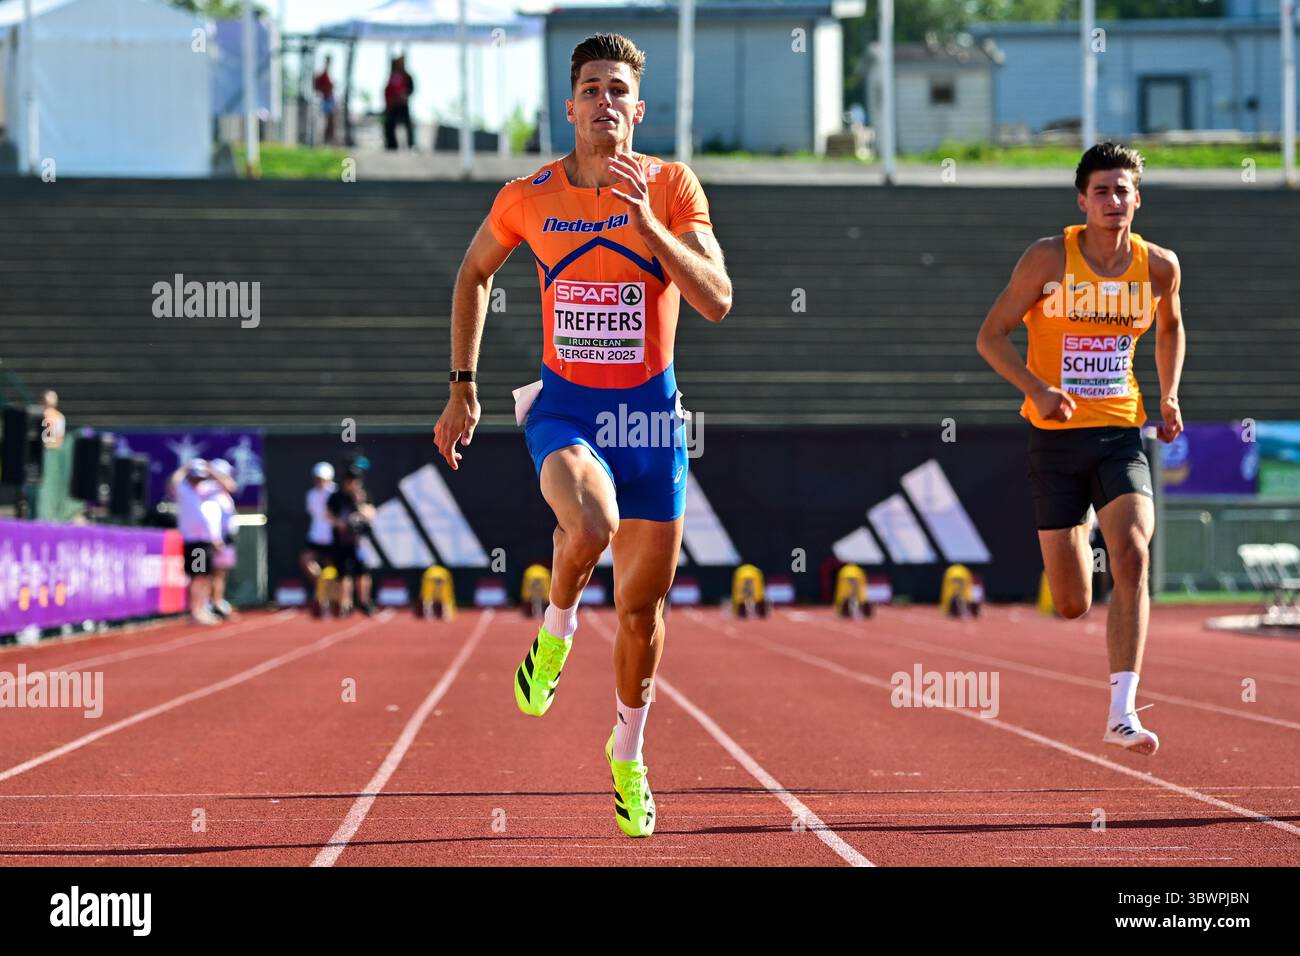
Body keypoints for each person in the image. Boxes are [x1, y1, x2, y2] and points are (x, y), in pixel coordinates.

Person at [433, 33, 732, 837]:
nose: (606, 101)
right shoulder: (528, 195)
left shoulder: (672, 186)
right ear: (569, 109)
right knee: (590, 523)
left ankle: (626, 753)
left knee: (642, 613)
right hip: (566, 408)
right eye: (591, 88)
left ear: (641, 109)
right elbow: (474, 272)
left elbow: (717, 300)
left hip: (652, 420)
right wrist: (462, 387)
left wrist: (649, 228)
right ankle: (556, 630)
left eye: (619, 90)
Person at [976, 142, 1185, 756]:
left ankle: (1122, 711)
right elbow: (990, 336)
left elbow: (1170, 327)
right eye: (1102, 191)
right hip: (1053, 440)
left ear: (1137, 199)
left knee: (1135, 553)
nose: (1113, 201)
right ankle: (1086, 526)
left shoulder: (1159, 267)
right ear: (1082, 201)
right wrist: (1036, 388)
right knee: (1071, 602)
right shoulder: (1049, 258)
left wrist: (1167, 396)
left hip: (1120, 432)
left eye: (1123, 190)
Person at [169, 459, 225, 626]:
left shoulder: (206, 491)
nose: (198, 481)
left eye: (201, 478)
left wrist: (210, 470)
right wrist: (185, 468)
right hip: (194, 541)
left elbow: (229, 485)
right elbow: (173, 482)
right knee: (197, 577)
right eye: (195, 477)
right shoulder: (184, 491)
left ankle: (201, 608)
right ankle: (196, 610)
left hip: (206, 541)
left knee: (204, 576)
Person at [326, 466, 376, 616]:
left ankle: (364, 601)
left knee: (363, 571)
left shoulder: (363, 495)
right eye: (351, 481)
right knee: (343, 573)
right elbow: (328, 515)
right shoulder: (336, 497)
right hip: (342, 540)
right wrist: (339, 523)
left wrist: (359, 503)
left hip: (360, 541)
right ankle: (345, 603)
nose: (353, 484)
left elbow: (372, 513)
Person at [302, 462, 338, 614]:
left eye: (322, 478)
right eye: (317, 478)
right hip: (316, 535)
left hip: (333, 536)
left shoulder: (336, 492)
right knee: (306, 560)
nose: (320, 481)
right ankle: (322, 591)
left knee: (332, 568)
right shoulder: (311, 494)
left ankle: (331, 600)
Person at [207, 459, 239, 619]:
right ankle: (203, 604)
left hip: (225, 540)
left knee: (219, 573)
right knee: (200, 573)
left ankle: (216, 602)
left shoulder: (223, 494)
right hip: (205, 541)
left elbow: (231, 486)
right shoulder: (207, 489)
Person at [383, 55, 415, 151]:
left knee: (408, 124)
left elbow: (411, 89)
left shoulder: (407, 76)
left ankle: (411, 145)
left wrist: (405, 94)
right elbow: (387, 90)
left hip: (402, 104)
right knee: (389, 124)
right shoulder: (392, 75)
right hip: (392, 105)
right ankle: (391, 145)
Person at [313, 55, 337, 146]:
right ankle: (325, 141)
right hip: (326, 100)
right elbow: (318, 87)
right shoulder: (323, 74)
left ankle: (328, 141)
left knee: (331, 122)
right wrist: (328, 87)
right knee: (327, 121)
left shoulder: (328, 74)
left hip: (330, 99)